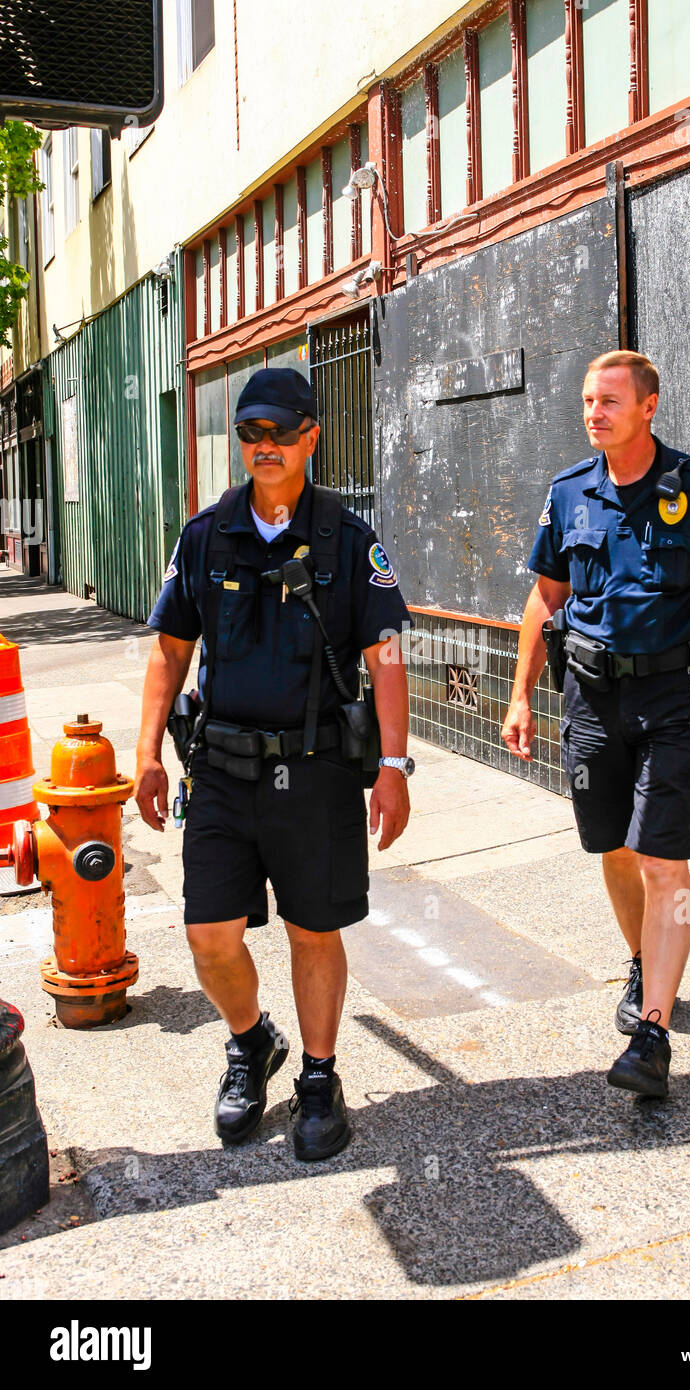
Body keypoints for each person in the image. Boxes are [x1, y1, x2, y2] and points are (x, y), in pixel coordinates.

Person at [135, 367, 414, 1158]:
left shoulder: (347, 539)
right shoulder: (205, 535)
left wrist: (393, 765)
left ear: (310, 439)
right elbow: (169, 653)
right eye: (251, 434)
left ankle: (318, 1078)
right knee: (209, 935)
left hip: (316, 767)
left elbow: (387, 656)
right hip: (220, 769)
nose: (264, 447)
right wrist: (146, 752)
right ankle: (252, 1041)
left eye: (280, 434)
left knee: (312, 929)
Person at [501, 351, 690, 1098]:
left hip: (672, 699)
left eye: (610, 400)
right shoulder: (568, 492)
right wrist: (520, 695)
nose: (594, 412)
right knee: (612, 849)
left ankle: (653, 1034)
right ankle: (644, 960)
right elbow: (545, 599)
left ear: (649, 406)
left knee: (661, 860)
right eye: (587, 400)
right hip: (589, 699)